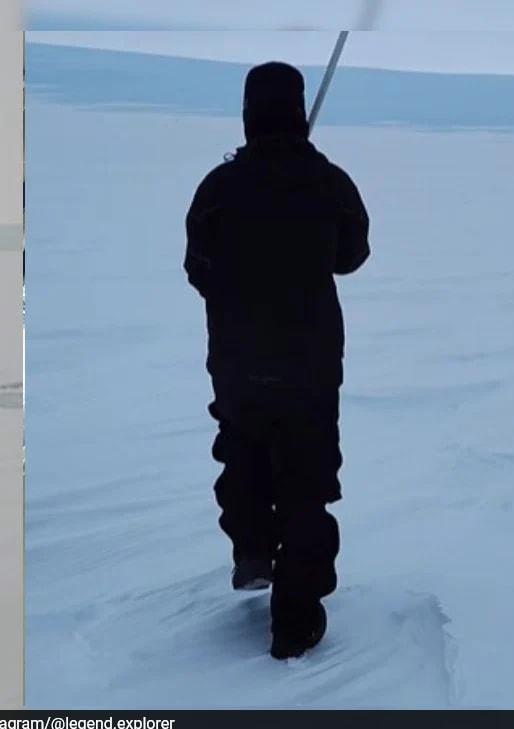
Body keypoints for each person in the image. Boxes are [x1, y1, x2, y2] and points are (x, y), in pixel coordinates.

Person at [183, 62, 370, 660]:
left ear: (248, 115)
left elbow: (197, 269)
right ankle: (295, 623)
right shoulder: (329, 183)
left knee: (242, 453)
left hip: (237, 363)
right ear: (298, 112)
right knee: (306, 482)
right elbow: (352, 255)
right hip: (310, 365)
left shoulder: (219, 188)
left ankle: (254, 550)